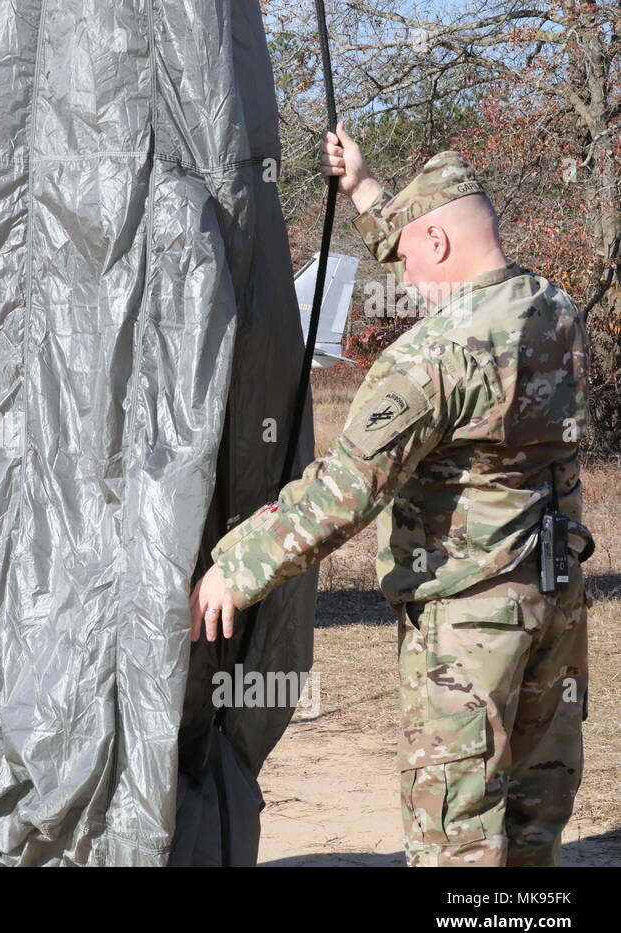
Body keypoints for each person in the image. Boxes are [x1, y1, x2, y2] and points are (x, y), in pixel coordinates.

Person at [190, 125, 592, 867]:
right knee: (533, 829)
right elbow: (434, 246)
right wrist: (366, 190)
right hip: (553, 607)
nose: (400, 275)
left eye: (407, 254)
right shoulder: (556, 310)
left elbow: (346, 490)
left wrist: (235, 567)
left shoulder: (435, 356)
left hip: (468, 633)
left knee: (457, 838)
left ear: (436, 242)